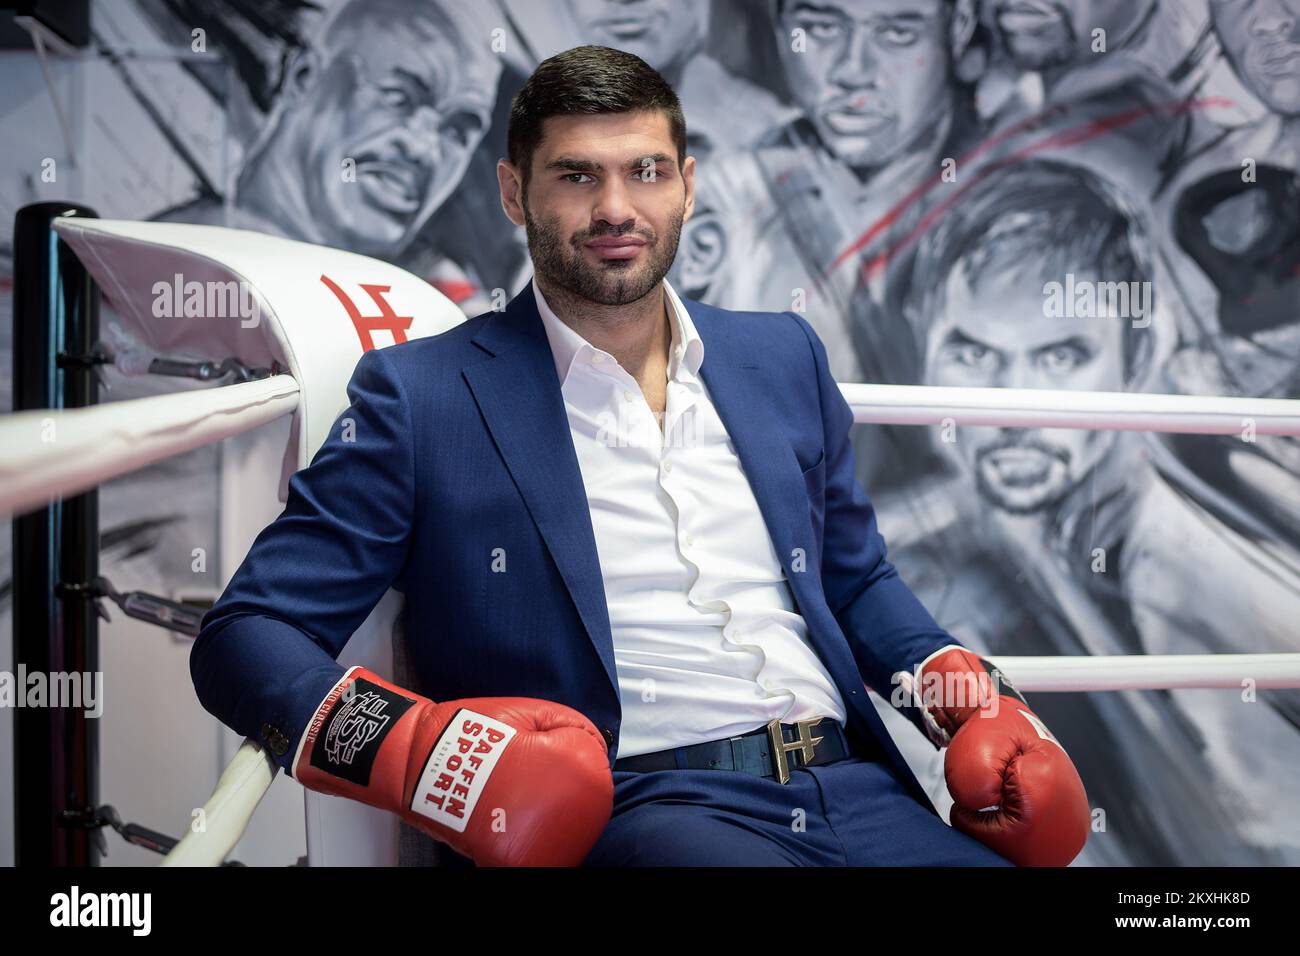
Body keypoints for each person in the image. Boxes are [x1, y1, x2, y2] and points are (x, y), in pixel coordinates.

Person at [192, 44, 1089, 867]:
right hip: (649, 809)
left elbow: (854, 581)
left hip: (860, 785)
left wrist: (960, 689)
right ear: (514, 193)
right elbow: (247, 636)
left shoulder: (780, 356)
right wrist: (423, 755)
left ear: (687, 187)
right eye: (576, 175)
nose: (615, 208)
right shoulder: (423, 397)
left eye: (645, 172)